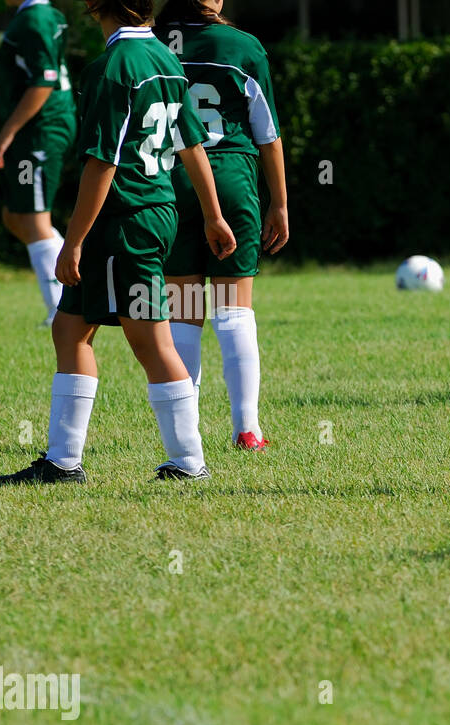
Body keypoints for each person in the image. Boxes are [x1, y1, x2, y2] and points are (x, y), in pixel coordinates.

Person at [0, 0, 235, 486]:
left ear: (95, 4)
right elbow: (192, 144)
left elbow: (101, 164)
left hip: (124, 220)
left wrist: (74, 241)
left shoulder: (110, 68)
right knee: (70, 328)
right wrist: (212, 213)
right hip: (152, 212)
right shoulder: (166, 58)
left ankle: (188, 462)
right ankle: (62, 462)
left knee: (149, 339)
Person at [157, 0, 288, 452]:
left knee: (183, 312)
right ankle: (246, 428)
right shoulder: (242, 46)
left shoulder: (151, 42)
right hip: (230, 176)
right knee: (233, 310)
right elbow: (267, 134)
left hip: (172, 179)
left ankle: (186, 433)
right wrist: (281, 204)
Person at [0, 0, 77, 328]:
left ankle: (63, 311)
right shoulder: (43, 14)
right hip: (37, 130)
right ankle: (69, 290)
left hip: (39, 131)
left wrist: (6, 134)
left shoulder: (37, 17)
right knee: (14, 215)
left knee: (34, 219)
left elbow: (43, 81)